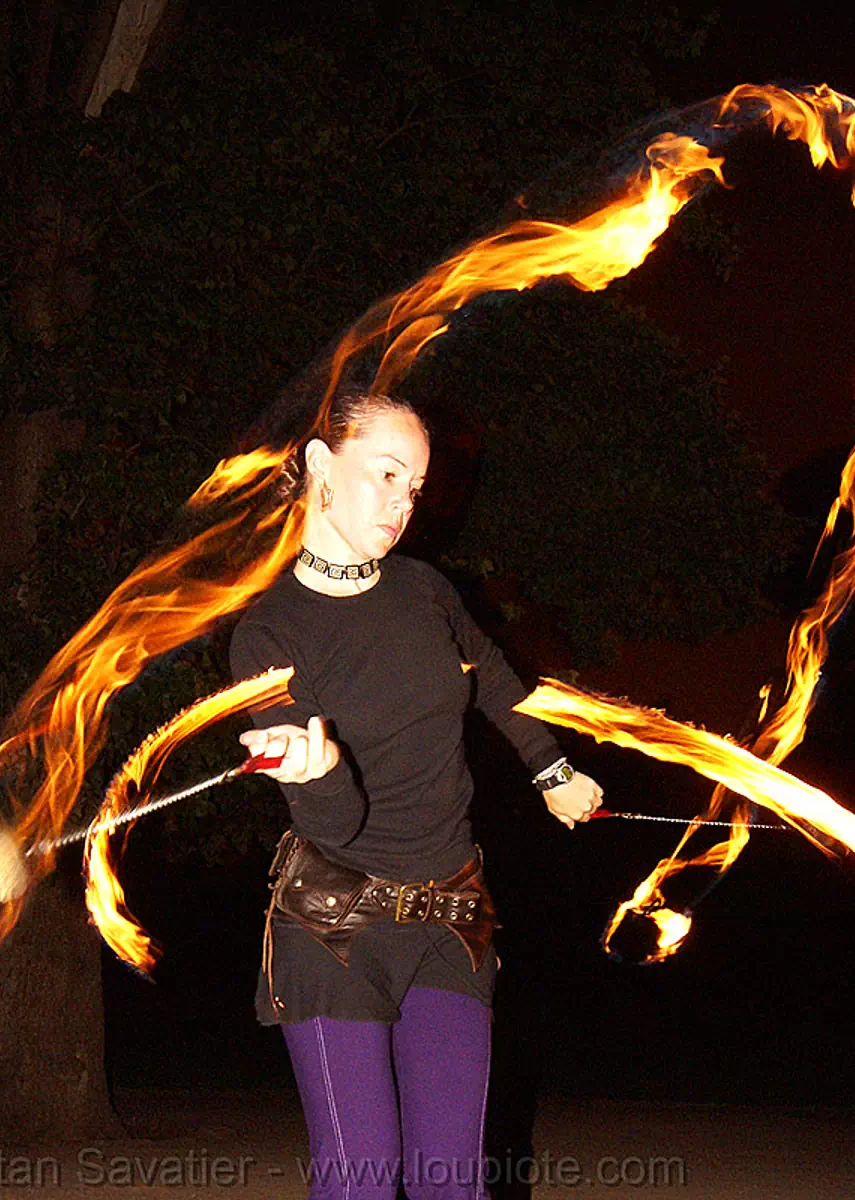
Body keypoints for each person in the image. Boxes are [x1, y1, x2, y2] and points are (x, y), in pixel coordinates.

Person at [229, 390, 602, 1200]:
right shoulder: (268, 633)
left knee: (452, 1182)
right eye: (386, 475)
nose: (403, 503)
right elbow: (338, 820)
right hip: (336, 927)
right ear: (321, 468)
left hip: (454, 917)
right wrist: (313, 769)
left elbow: (496, 681)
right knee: (362, 1180)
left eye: (416, 486)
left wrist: (551, 771)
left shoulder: (424, 589)